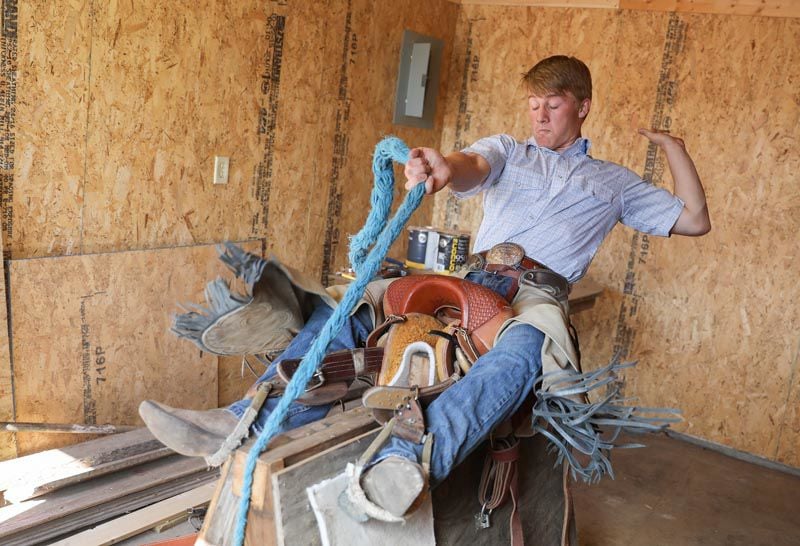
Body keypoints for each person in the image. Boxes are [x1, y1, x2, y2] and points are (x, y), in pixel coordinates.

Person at [140, 55, 709, 520]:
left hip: (534, 294)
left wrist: (674, 149)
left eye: (553, 106)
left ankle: (405, 460)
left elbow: (693, 220)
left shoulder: (614, 184)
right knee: (355, 307)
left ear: (582, 107)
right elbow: (470, 165)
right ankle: (248, 417)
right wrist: (441, 168)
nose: (540, 116)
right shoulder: (511, 150)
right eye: (533, 105)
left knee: (525, 354)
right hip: (469, 277)